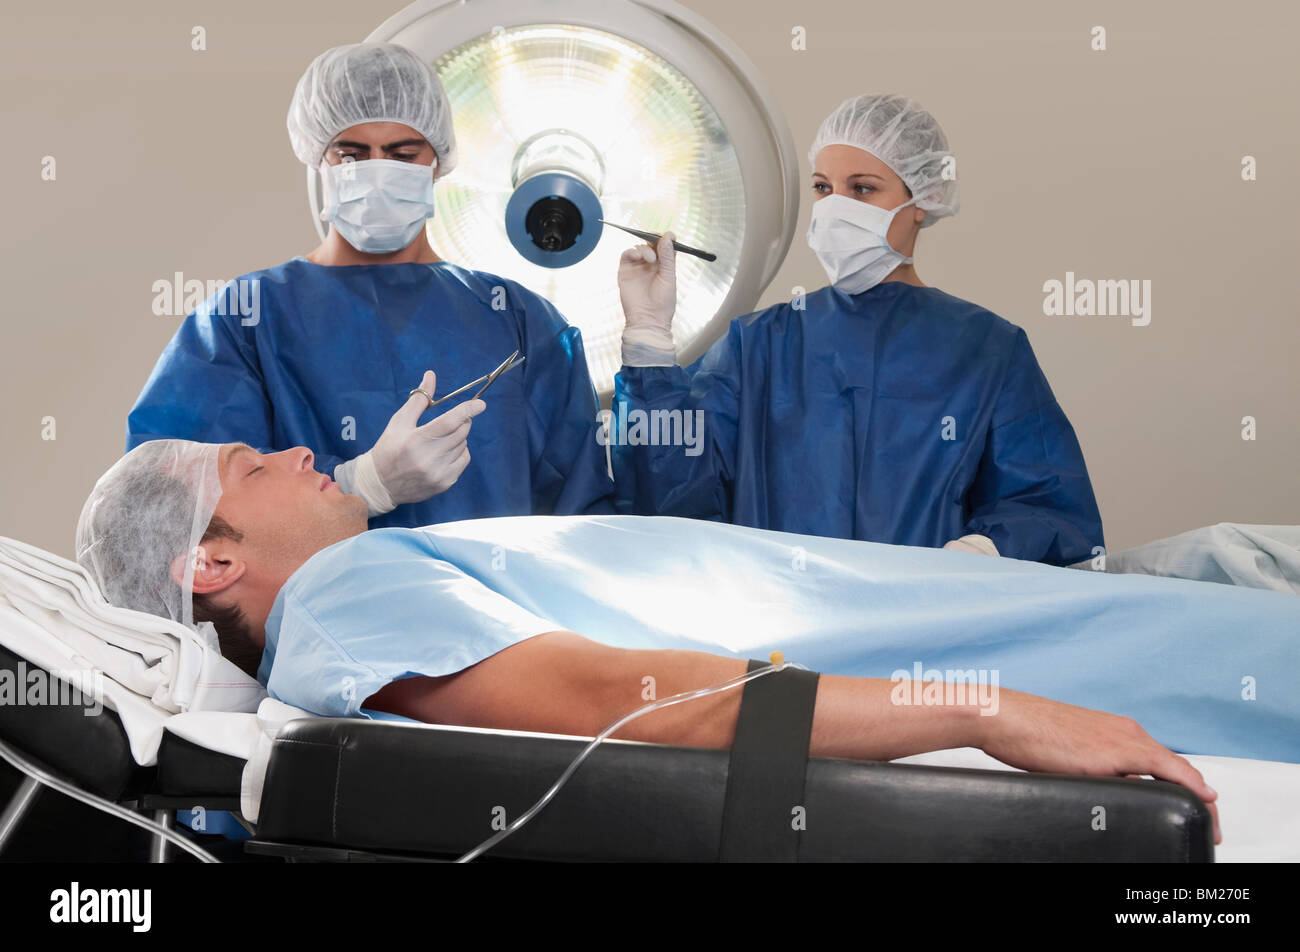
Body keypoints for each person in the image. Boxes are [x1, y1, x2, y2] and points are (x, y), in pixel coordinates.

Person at [72, 446, 1300, 843]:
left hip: (1029, 611)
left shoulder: (368, 582)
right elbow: (642, 703)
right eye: (251, 462)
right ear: (209, 564)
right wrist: (987, 706)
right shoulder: (339, 600)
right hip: (1073, 658)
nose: (296, 453)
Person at [126, 42, 613, 528]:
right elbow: (175, 504)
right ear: (318, 157)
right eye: (352, 155)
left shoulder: (522, 322)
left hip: (489, 604)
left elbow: (586, 521)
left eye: (402, 155)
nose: (378, 173)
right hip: (312, 606)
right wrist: (360, 487)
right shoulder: (245, 318)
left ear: (437, 162)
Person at [613, 94, 1102, 565]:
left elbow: (1048, 503)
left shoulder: (988, 350)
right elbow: (668, 491)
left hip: (924, 630)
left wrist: (987, 550)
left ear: (922, 200)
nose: (834, 207)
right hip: (782, 637)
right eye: (823, 188)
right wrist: (649, 339)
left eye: (862, 188)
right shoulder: (758, 346)